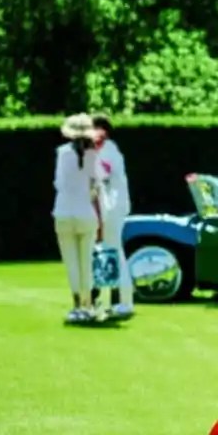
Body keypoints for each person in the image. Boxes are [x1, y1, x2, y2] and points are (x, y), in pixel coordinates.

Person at [52, 113, 102, 324]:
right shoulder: (93, 156)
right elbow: (96, 185)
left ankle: (76, 305)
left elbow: (59, 183)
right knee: (86, 262)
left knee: (71, 262)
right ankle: (87, 304)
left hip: (64, 212)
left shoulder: (62, 153)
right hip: (85, 213)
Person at [92, 114, 134, 319]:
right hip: (106, 209)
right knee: (106, 253)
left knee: (115, 252)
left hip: (113, 208)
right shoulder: (101, 150)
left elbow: (101, 175)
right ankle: (109, 299)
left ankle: (124, 302)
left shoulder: (110, 151)